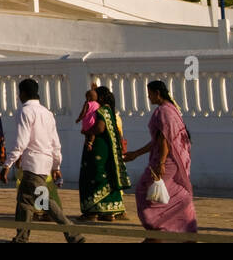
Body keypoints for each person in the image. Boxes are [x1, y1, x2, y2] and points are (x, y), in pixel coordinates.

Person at [5, 77, 84, 243]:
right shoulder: (47, 113)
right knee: (25, 202)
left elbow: (21, 141)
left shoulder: (25, 111)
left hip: (33, 163)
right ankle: (21, 237)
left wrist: (8, 163)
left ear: (23, 93)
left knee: (44, 202)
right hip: (44, 162)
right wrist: (56, 165)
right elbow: (55, 142)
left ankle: (73, 234)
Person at [124, 80, 197, 237]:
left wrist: (161, 163)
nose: (148, 97)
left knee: (144, 190)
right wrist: (136, 153)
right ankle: (184, 228)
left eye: (149, 94)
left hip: (166, 160)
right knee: (176, 193)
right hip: (172, 160)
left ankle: (158, 228)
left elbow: (164, 140)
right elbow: (158, 140)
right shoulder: (172, 109)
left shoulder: (163, 111)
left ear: (157, 93)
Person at [79, 86, 130, 220]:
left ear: (99, 98)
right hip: (107, 150)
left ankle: (93, 211)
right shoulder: (110, 111)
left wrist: (87, 132)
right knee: (106, 175)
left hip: (98, 149)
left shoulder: (101, 111)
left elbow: (100, 128)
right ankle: (110, 211)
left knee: (94, 176)